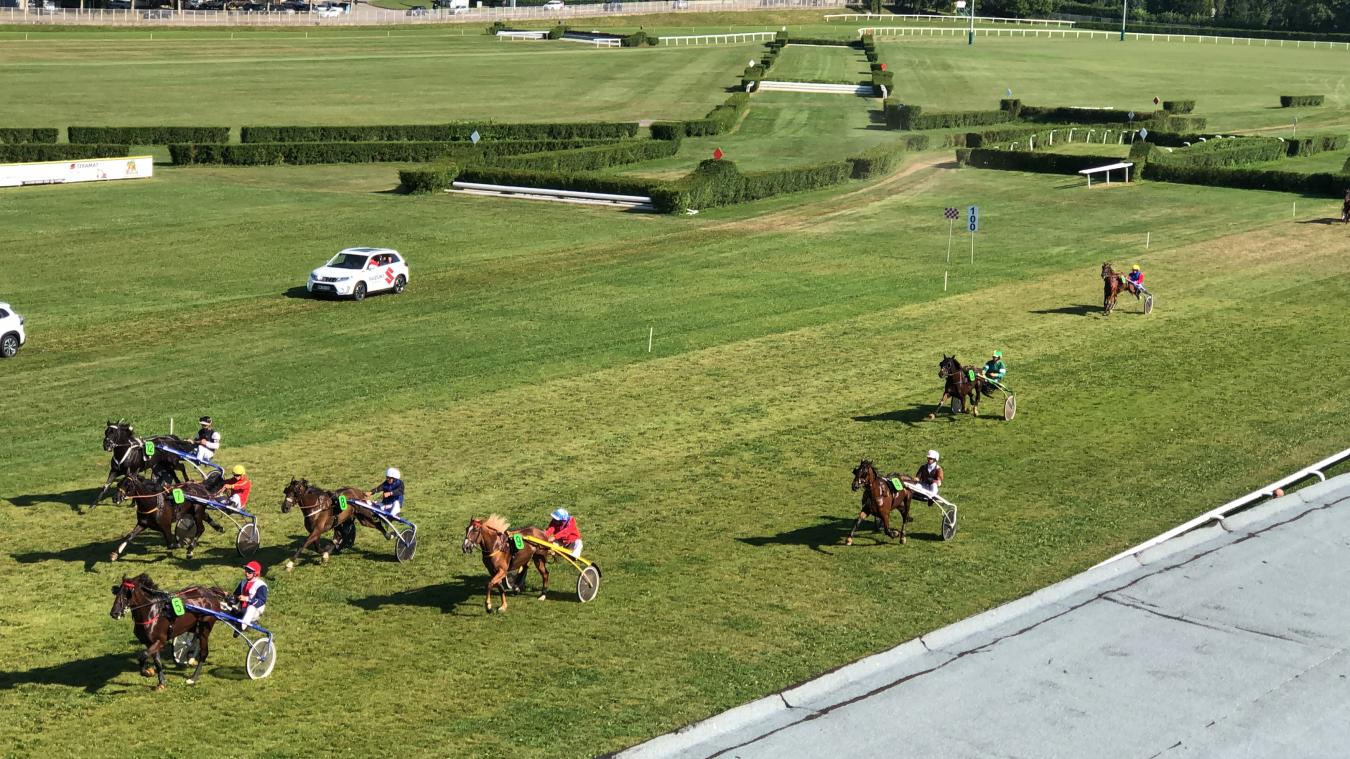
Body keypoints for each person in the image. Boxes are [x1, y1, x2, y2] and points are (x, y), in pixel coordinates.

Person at [231, 561, 268, 637]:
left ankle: (241, 627)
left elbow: (261, 601)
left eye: (249, 572)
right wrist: (231, 599)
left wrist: (247, 599)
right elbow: (236, 595)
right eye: (246, 571)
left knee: (251, 608)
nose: (246, 573)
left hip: (255, 611)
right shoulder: (243, 582)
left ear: (255, 573)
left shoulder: (261, 585)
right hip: (242, 609)